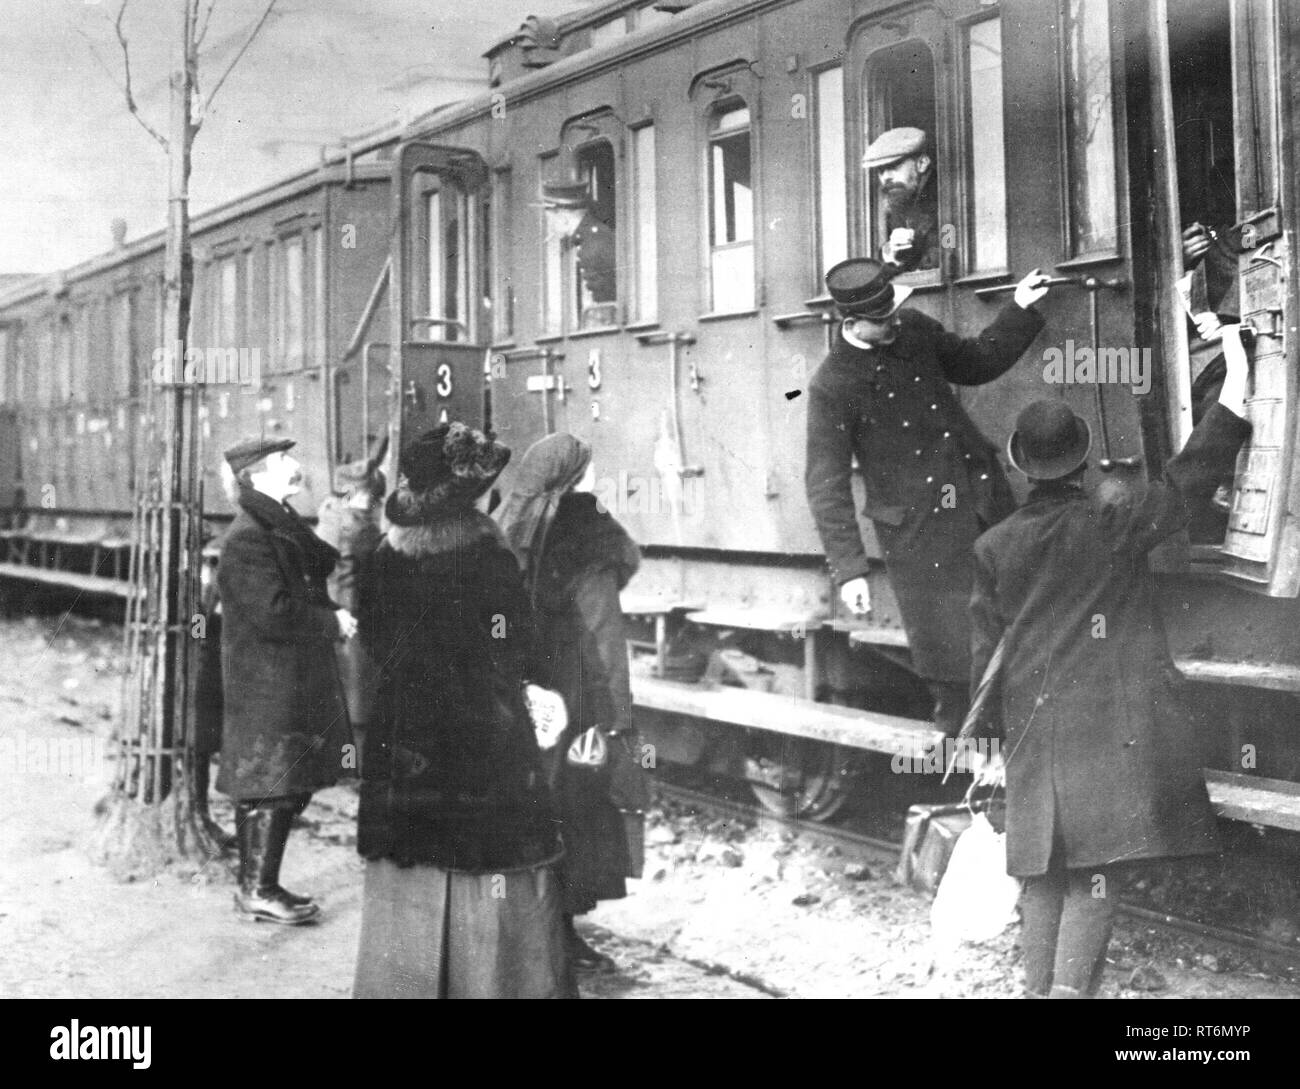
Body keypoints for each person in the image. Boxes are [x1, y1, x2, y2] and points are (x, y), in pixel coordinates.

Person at [969, 325, 1252, 998]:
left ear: (1019, 463)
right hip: (1109, 731)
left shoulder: (994, 545)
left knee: (1042, 872)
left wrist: (985, 747)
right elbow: (1195, 471)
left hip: (1033, 733)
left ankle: (1040, 993)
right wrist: (1238, 369)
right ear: (1083, 461)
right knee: (1097, 871)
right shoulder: (1117, 518)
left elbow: (986, 656)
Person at [353, 422, 572, 999]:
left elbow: (372, 637)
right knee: (491, 862)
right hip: (482, 730)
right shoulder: (485, 550)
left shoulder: (383, 553)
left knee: (410, 858)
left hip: (405, 732)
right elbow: (511, 635)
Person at [805, 257, 1052, 735]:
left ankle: (1028, 750)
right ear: (851, 323)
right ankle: (964, 772)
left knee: (1017, 627)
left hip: (979, 500)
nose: (894, 321)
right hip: (920, 535)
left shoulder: (912, 328)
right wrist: (850, 570)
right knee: (950, 658)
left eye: (894, 310)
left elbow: (976, 362)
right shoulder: (830, 385)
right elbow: (825, 483)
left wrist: (1018, 308)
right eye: (881, 320)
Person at [497, 433, 648, 971]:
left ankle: (533, 929)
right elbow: (605, 637)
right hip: (577, 695)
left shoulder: (509, 524)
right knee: (579, 807)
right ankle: (560, 936)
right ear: (576, 479)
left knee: (536, 805)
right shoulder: (589, 535)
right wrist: (619, 719)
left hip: (526, 694)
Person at [217, 437, 357, 925]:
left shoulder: (273, 521)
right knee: (273, 783)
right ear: (257, 476)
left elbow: (315, 566)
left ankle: (257, 885)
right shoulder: (250, 535)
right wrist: (330, 622)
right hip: (267, 680)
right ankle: (258, 888)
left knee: (281, 782)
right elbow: (274, 613)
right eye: (284, 462)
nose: (297, 467)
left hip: (282, 675)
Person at [316, 437, 387, 766]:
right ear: (368, 495)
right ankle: (352, 766)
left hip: (334, 612)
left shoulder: (332, 517)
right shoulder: (360, 530)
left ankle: (340, 760)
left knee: (341, 699)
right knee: (359, 702)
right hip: (355, 616)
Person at [863, 127, 939, 273]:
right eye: (880, 171)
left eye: (893, 166)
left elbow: (950, 242)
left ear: (922, 163)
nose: (886, 177)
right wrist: (890, 253)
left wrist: (916, 241)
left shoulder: (945, 197)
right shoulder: (899, 199)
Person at [542, 179, 616, 303]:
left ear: (564, 218)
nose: (550, 225)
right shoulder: (589, 237)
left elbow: (606, 298)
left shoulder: (594, 244)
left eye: (551, 219)